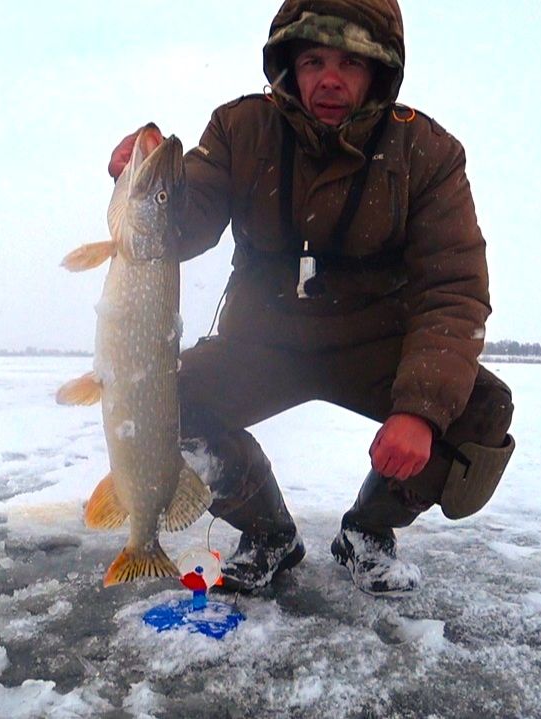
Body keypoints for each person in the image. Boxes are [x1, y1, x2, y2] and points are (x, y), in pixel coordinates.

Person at [108, 0, 515, 596]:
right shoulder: (239, 129)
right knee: (165, 406)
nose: (330, 78)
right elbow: (182, 225)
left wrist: (421, 409)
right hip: (262, 343)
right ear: (287, 65)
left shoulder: (428, 152)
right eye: (314, 59)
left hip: (375, 348)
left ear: (380, 70)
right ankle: (268, 531)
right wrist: (145, 174)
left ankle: (369, 531)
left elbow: (452, 290)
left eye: (351, 61)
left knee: (479, 411)